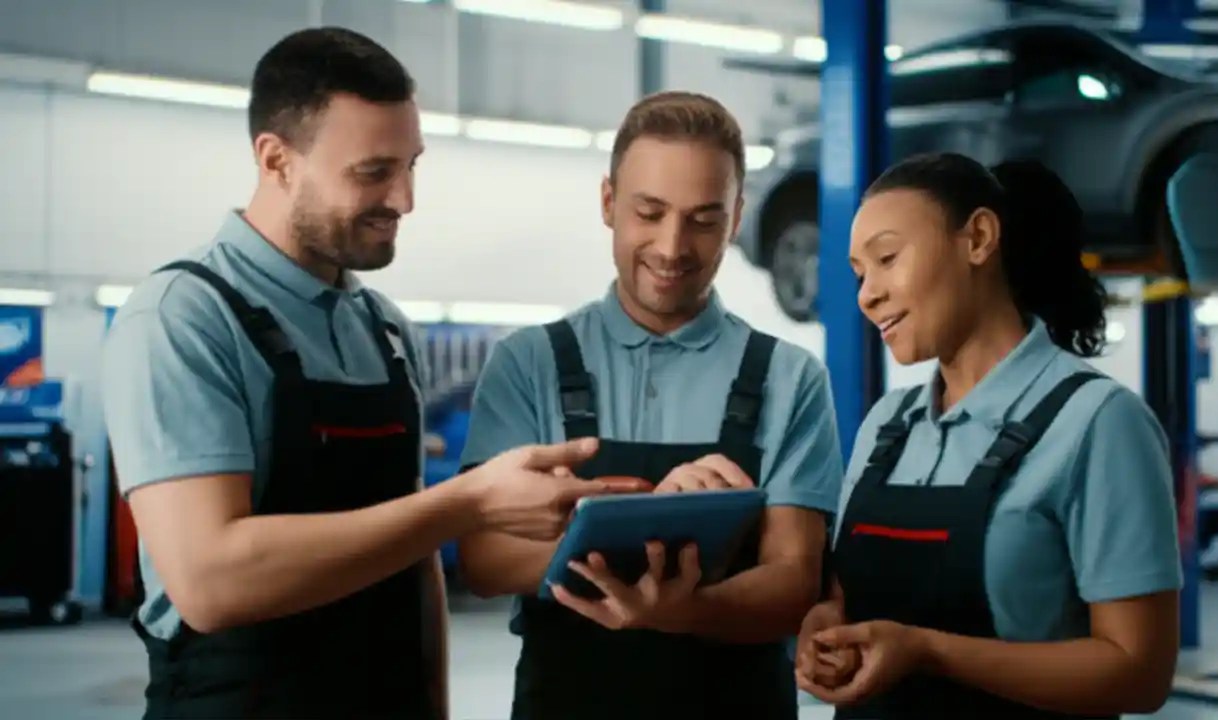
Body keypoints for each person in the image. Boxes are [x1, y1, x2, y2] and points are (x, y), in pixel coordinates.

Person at [102, 27, 615, 720]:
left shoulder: (384, 328)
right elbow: (210, 580)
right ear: (277, 159)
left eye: (413, 165)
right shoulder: (181, 319)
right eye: (374, 171)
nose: (405, 199)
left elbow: (414, 554)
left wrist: (434, 706)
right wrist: (465, 504)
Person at [455, 91, 846, 720]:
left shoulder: (789, 377)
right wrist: (650, 529)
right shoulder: (528, 364)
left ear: (736, 216)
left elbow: (792, 581)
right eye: (650, 212)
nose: (672, 247)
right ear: (609, 202)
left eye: (703, 218)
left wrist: (677, 609)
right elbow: (484, 558)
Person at [793, 152, 1183, 719]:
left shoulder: (1097, 421)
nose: (866, 294)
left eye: (887, 258)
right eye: (860, 273)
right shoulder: (888, 426)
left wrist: (928, 651)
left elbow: (1139, 673)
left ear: (977, 238)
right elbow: (849, 597)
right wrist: (827, 628)